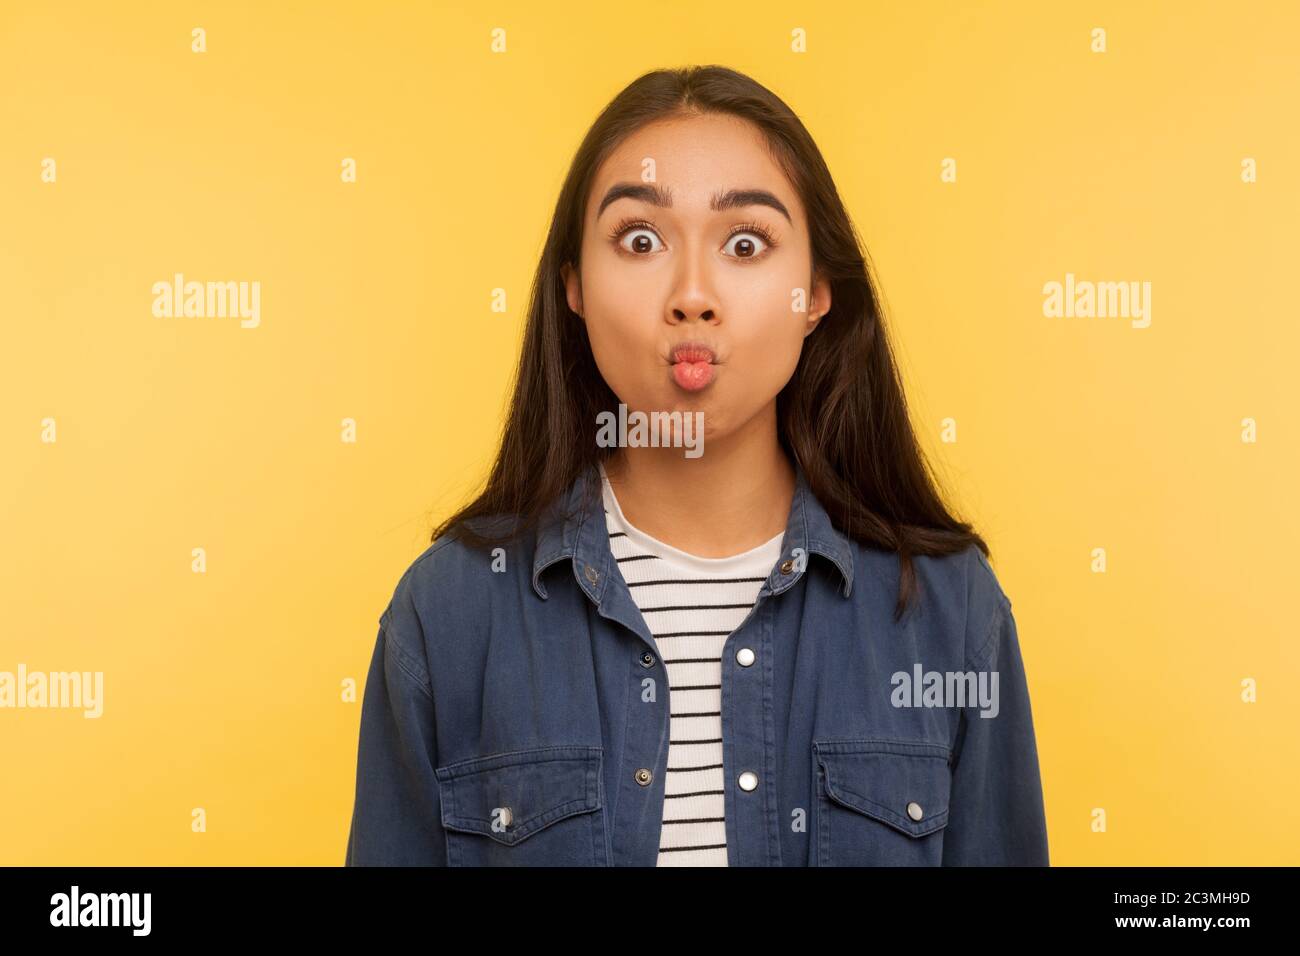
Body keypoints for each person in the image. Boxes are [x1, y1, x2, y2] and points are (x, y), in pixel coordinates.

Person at [345, 64, 1049, 867]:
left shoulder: (950, 613)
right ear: (573, 286)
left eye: (745, 244)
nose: (691, 295)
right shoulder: (448, 614)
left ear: (817, 292)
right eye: (639, 240)